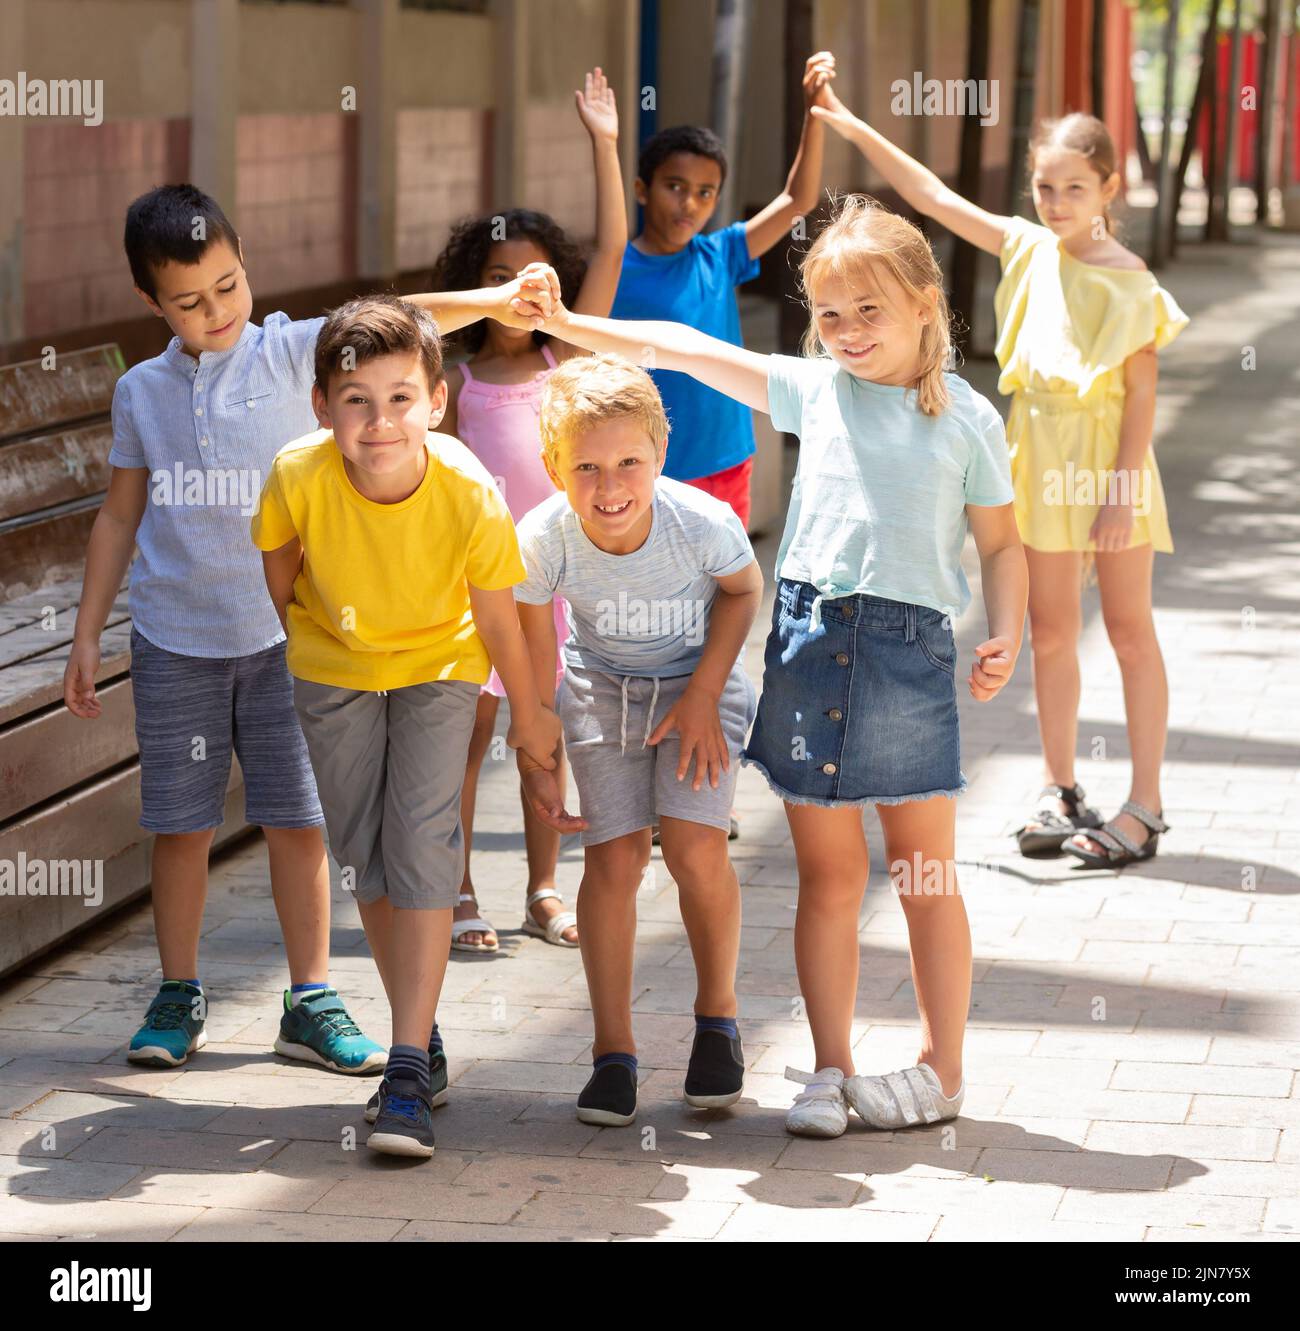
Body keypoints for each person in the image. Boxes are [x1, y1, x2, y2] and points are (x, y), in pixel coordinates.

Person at [521, 185, 1027, 1139]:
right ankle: (830, 1070)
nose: (844, 331)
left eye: (867, 310)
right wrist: (569, 321)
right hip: (806, 643)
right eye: (828, 314)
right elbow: (677, 349)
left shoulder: (969, 418)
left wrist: (1007, 630)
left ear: (926, 299)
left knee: (925, 874)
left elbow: (1002, 545)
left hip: (909, 652)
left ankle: (942, 1068)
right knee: (829, 877)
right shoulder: (812, 387)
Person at [812, 91, 1188, 868]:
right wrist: (848, 123)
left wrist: (1119, 491)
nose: (1057, 203)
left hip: (1110, 462)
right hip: (1037, 452)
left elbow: (1142, 393)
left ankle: (1145, 805)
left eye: (1075, 188)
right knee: (1047, 631)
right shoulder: (1024, 247)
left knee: (1128, 629)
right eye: (1045, 187)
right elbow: (929, 195)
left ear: (1109, 189)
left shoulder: (1132, 278)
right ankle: (1061, 787)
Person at [251, 293, 568, 1158]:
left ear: (436, 400)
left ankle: (402, 1074)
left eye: (400, 397)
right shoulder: (297, 473)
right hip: (336, 671)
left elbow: (499, 619)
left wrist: (534, 716)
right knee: (367, 855)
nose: (380, 419)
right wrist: (314, 651)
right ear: (323, 407)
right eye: (356, 399)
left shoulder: (468, 486)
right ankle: (415, 1031)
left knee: (425, 841)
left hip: (440, 667)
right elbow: (280, 577)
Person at [511, 353, 762, 1126]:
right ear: (553, 465)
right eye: (585, 465)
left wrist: (703, 694)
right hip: (600, 689)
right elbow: (533, 633)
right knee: (614, 855)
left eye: (629, 461)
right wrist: (538, 736)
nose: (609, 485)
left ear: (660, 454)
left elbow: (744, 591)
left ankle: (717, 1019)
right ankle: (613, 1051)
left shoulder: (701, 523)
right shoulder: (545, 535)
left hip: (699, 682)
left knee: (692, 847)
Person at [430, 67, 626, 952]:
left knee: (541, 737)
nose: (517, 290)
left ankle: (545, 888)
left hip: (544, 584)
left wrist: (605, 143)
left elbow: (615, 250)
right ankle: (460, 889)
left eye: (533, 276)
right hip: (470, 589)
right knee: (465, 745)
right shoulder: (453, 376)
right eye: (497, 276)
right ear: (475, 285)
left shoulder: (567, 362)